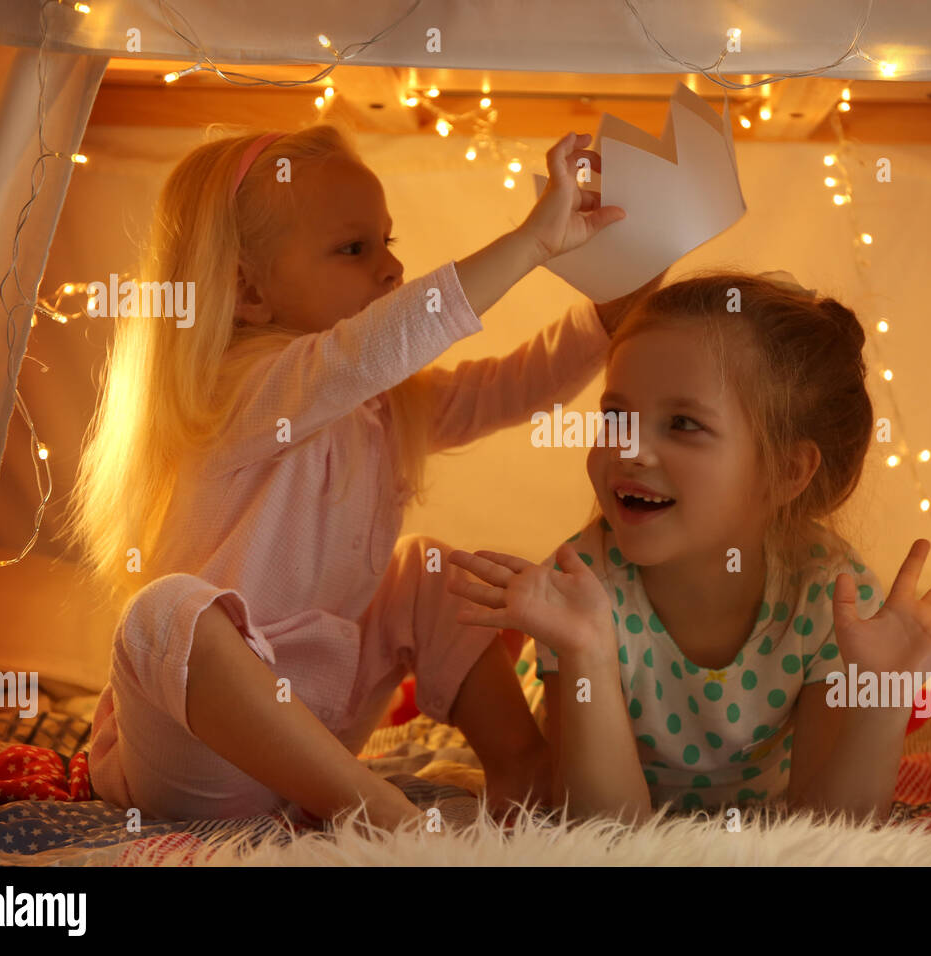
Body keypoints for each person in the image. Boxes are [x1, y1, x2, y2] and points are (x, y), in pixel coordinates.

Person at [64, 122, 652, 828]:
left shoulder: (376, 404)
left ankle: (524, 768)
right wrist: (530, 244)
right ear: (248, 292)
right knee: (162, 615)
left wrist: (611, 313)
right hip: (203, 760)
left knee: (428, 569)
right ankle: (386, 817)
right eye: (354, 248)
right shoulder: (242, 395)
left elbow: (511, 387)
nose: (391, 269)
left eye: (388, 243)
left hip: (318, 727)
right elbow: (373, 348)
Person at [448, 271, 931, 823]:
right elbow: (599, 836)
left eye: (684, 423)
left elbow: (831, 833)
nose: (630, 450)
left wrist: (885, 697)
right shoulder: (579, 587)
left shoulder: (829, 593)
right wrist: (586, 652)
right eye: (616, 417)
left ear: (785, 472)